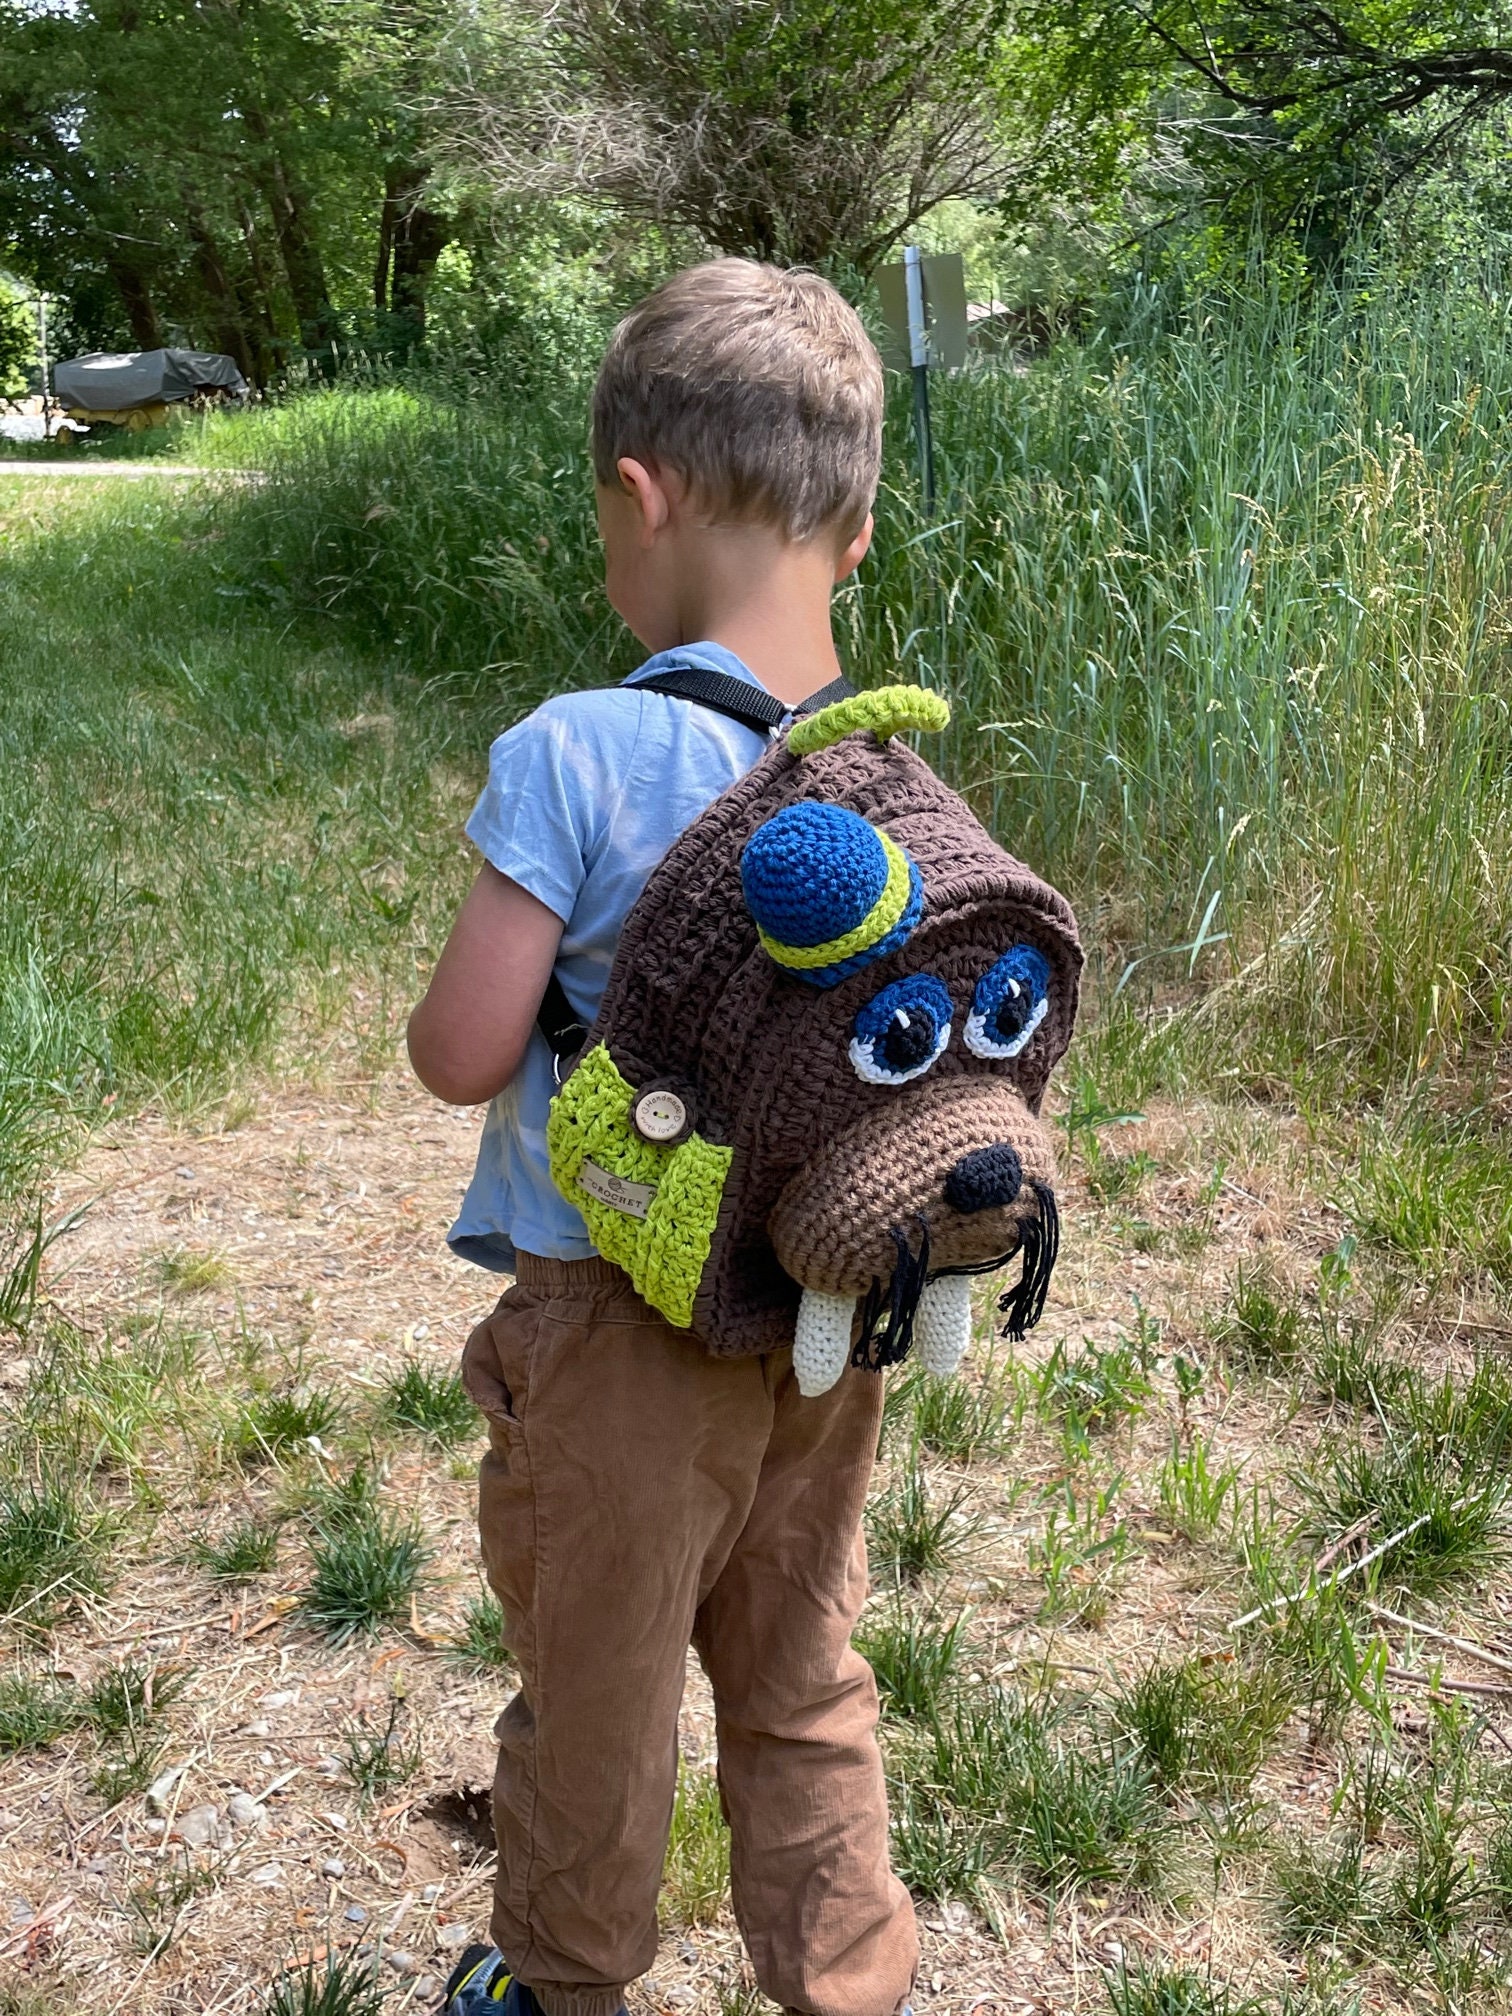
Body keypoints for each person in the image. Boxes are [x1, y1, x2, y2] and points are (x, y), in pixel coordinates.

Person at [407, 258, 918, 2016]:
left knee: (598, 1697)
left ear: (642, 497)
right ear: (852, 536)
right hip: (816, 1330)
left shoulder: (576, 751)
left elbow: (466, 1054)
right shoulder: (887, 784)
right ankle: (850, 1985)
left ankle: (560, 1987)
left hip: (617, 1333)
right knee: (800, 1680)